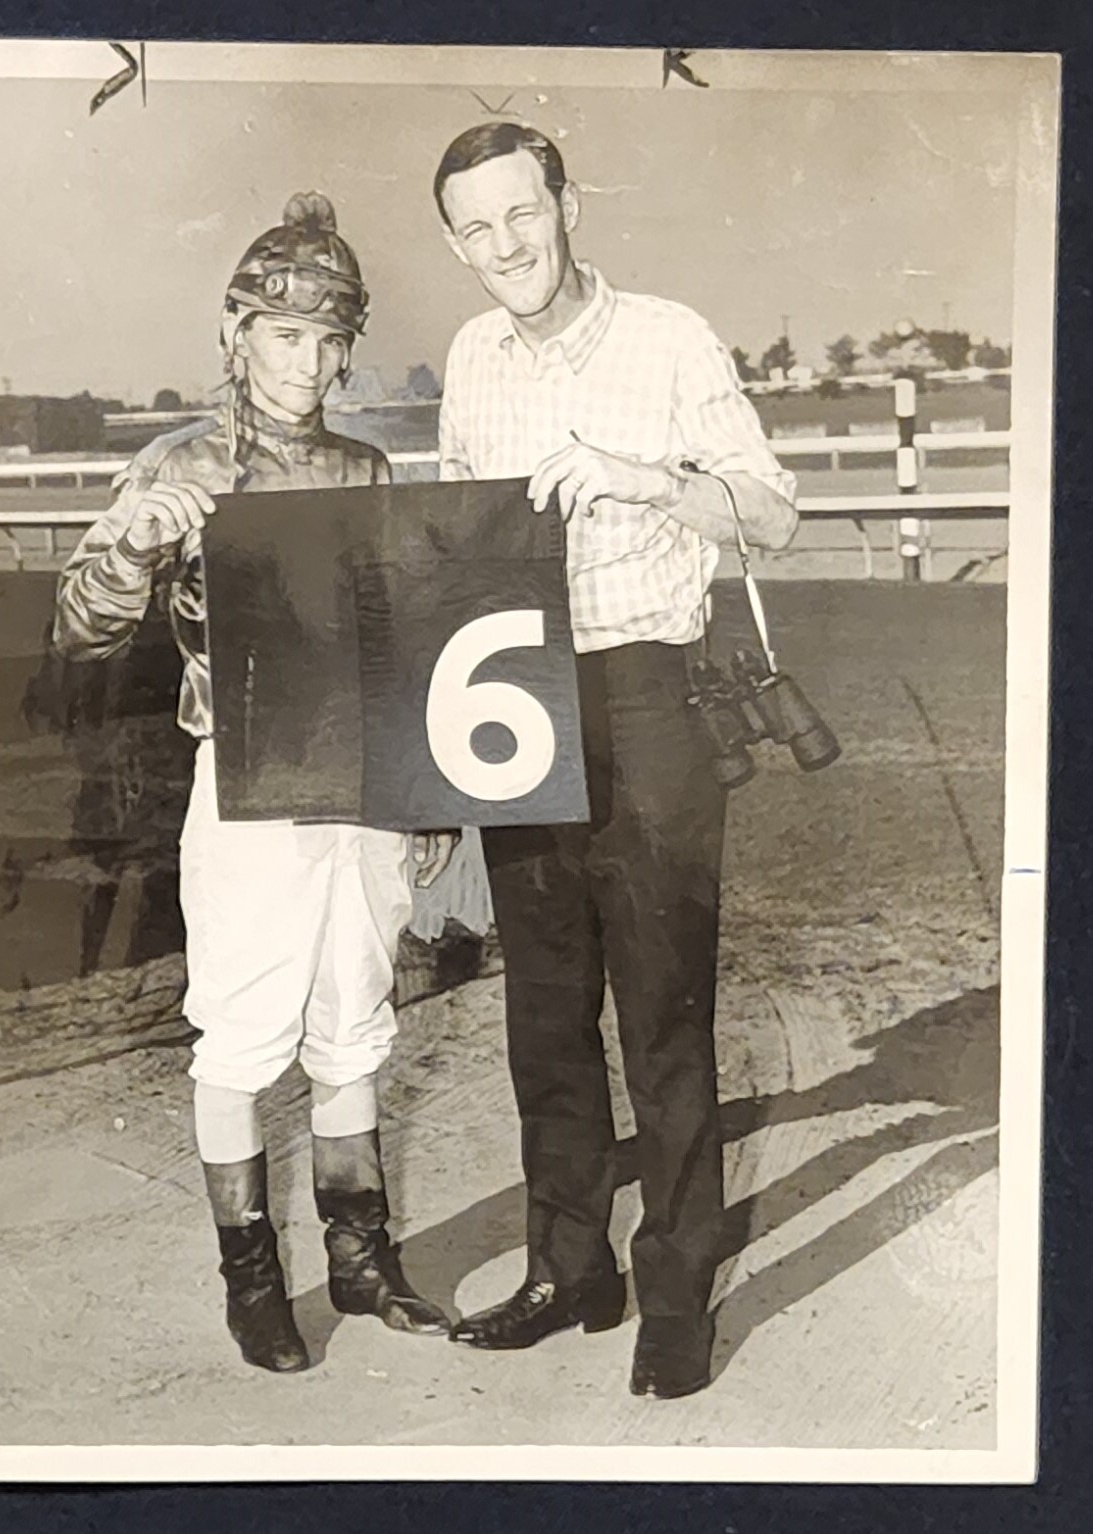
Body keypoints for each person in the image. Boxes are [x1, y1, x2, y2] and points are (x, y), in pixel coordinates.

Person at [53, 193, 453, 1374]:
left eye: (333, 340)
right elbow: (76, 631)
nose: (313, 362)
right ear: (235, 332)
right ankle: (251, 1278)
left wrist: (421, 789)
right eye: (287, 336)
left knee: (354, 1030)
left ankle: (361, 1260)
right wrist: (132, 546)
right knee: (239, 1042)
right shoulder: (177, 464)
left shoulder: (363, 464)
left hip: (365, 787)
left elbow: (398, 642)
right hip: (248, 786)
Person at [433, 123, 798, 1398]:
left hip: (647, 691)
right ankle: (569, 1265)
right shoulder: (471, 358)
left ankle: (678, 1285)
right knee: (542, 1014)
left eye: (519, 214)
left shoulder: (668, 336)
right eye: (472, 229)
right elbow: (458, 553)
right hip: (515, 701)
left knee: (663, 1013)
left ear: (566, 203)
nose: (502, 247)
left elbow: (772, 508)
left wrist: (635, 477)